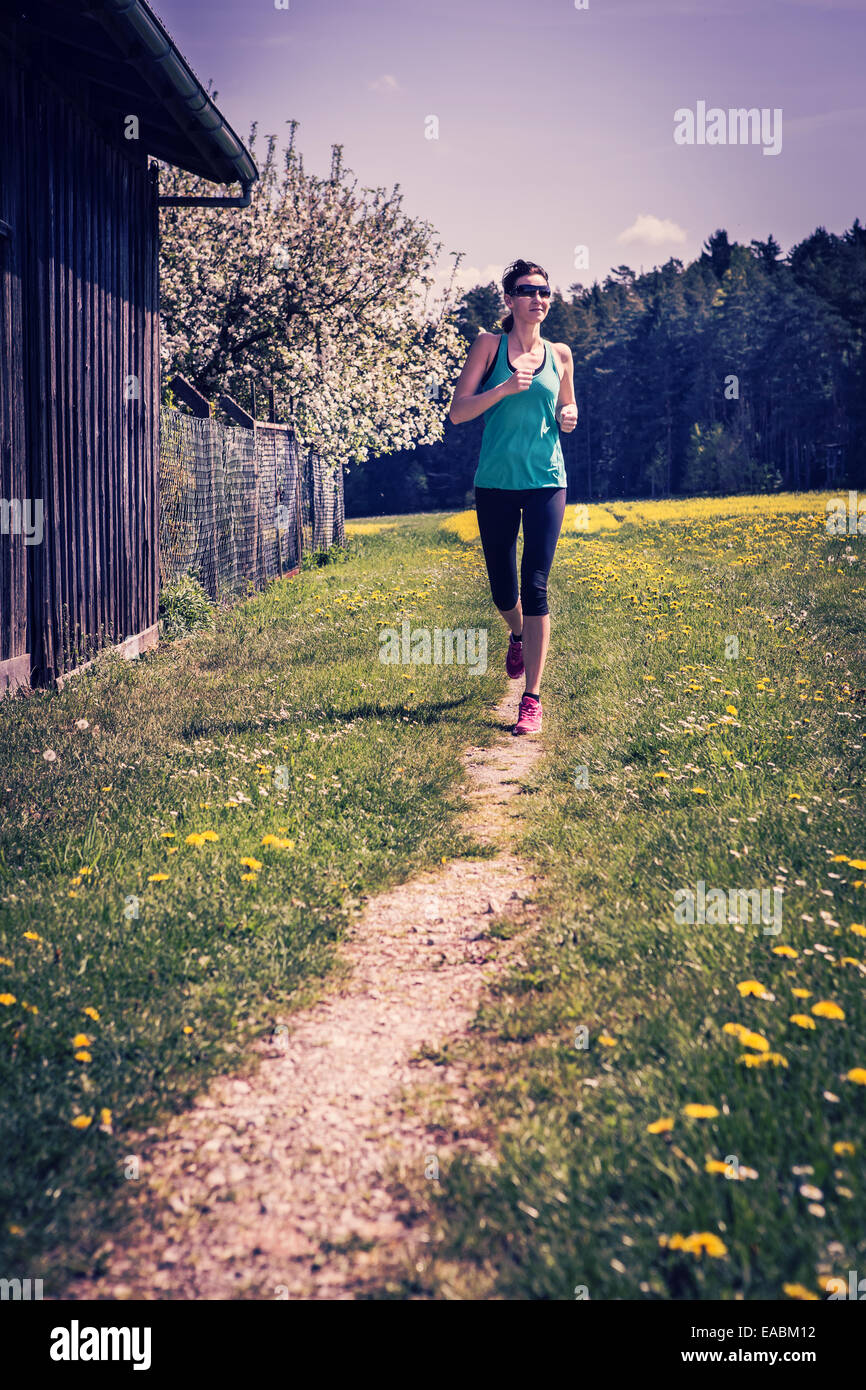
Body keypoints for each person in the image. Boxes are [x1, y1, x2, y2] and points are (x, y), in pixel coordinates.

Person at [448, 259, 577, 734]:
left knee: (536, 585)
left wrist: (569, 414)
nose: (536, 299)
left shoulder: (561, 353)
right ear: (508, 299)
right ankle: (518, 633)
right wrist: (503, 388)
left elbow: (567, 402)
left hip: (546, 480)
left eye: (544, 291)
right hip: (496, 482)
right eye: (526, 291)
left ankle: (531, 699)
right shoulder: (489, 345)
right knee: (503, 588)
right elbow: (459, 413)